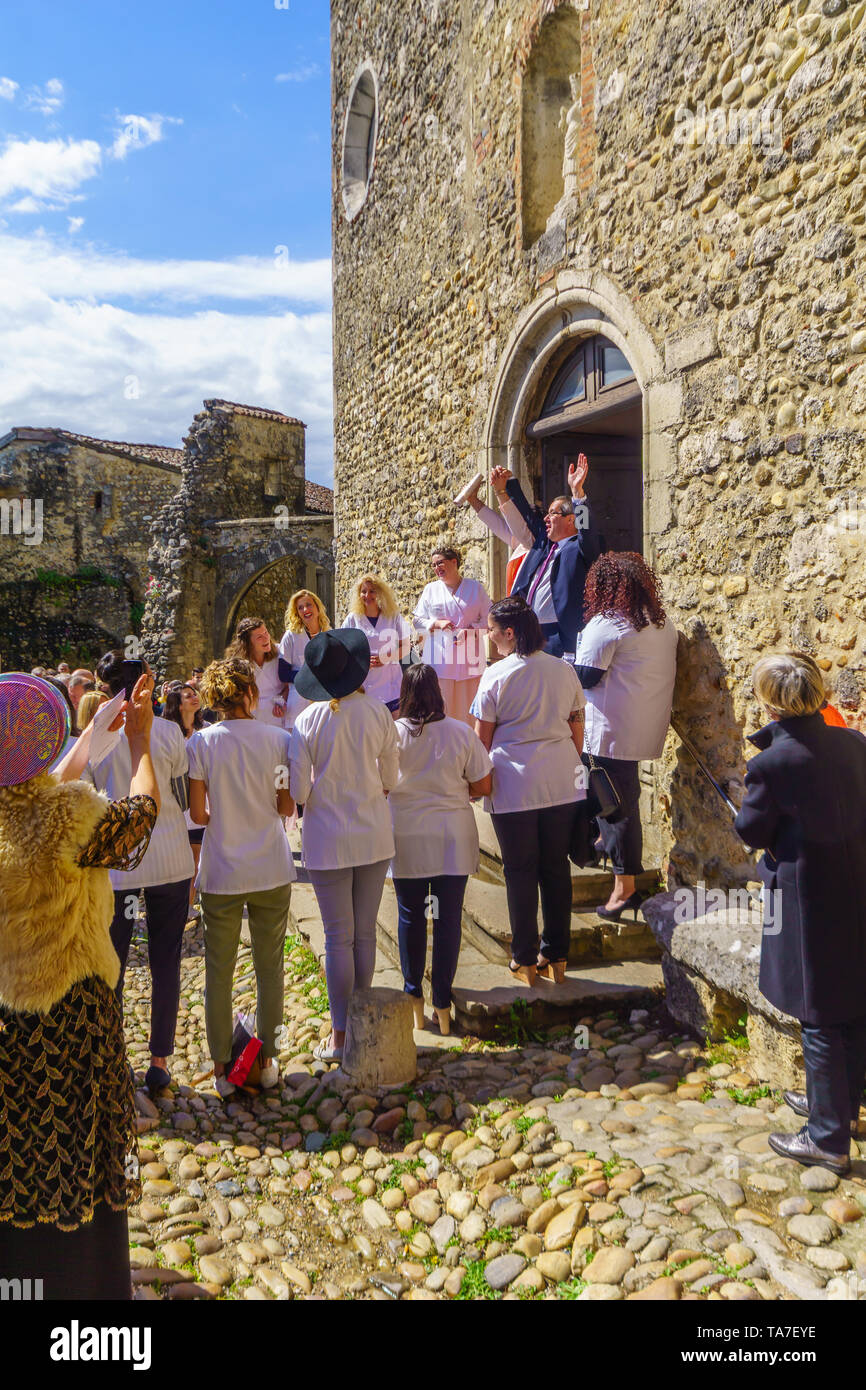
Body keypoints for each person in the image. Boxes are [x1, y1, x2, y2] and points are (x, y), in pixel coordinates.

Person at [0, 669, 158, 1299]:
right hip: (73, 1015)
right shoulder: (69, 815)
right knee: (79, 1142)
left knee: (16, 1149)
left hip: (7, 1016)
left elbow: (34, 792)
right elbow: (140, 817)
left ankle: (20, 1286)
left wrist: (91, 740)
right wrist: (141, 745)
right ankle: (88, 1288)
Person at [734, 651, 866, 1176]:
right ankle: (839, 1107)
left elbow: (752, 830)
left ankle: (827, 1138)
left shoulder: (771, 764)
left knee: (819, 1012)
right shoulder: (854, 743)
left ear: (771, 704)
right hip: (855, 889)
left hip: (807, 899)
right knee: (851, 1001)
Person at [87, 650, 194, 1096]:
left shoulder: (97, 737)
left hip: (120, 867)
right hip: (169, 859)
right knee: (165, 961)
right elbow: (181, 795)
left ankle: (113, 1056)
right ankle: (159, 1061)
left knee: (112, 963)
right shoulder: (169, 731)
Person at [187, 659, 295, 1098]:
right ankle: (266, 1063)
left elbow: (198, 814)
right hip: (270, 865)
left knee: (219, 972)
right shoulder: (280, 740)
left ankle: (220, 1069)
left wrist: (226, 813)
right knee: (270, 969)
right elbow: (286, 807)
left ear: (215, 698)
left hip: (222, 869)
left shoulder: (201, 743)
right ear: (251, 693)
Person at [290, 628, 398, 1061]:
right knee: (364, 933)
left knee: (338, 936)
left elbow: (298, 791)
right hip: (372, 830)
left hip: (326, 834)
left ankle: (339, 1036)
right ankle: (361, 1023)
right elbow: (391, 779)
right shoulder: (378, 713)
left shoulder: (307, 721)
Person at [472, 596, 586, 985]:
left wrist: (475, 782)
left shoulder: (496, 675)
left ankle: (523, 958)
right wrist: (570, 761)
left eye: (491, 630)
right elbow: (576, 725)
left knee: (520, 871)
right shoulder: (563, 669)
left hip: (514, 783)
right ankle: (557, 955)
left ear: (509, 633)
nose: (488, 636)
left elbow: (481, 739)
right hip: (561, 780)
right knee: (555, 868)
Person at [574, 552, 678, 919]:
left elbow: (585, 677)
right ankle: (603, 844)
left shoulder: (608, 623)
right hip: (642, 726)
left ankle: (624, 889)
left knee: (615, 808)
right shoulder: (661, 623)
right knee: (619, 800)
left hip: (608, 730)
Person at [391, 665, 492, 1033]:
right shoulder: (461, 732)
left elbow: (381, 784)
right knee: (448, 920)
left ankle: (413, 998)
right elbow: (484, 784)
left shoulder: (393, 735)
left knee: (411, 917)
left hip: (408, 835)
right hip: (452, 835)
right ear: (437, 692)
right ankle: (442, 1004)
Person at [503, 453, 604, 658]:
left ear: (571, 520)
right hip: (530, 632)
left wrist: (577, 494)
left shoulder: (580, 547)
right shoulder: (545, 544)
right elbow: (527, 515)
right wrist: (510, 483)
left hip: (559, 635)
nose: (546, 518)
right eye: (547, 513)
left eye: (553, 513)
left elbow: (586, 531)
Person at [413, 547, 491, 727]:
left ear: (454, 562)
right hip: (440, 659)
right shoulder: (431, 589)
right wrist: (436, 624)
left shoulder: (475, 588)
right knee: (441, 705)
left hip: (470, 657)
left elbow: (490, 619)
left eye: (440, 563)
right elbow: (417, 621)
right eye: (433, 565)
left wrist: (472, 630)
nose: (436, 568)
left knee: (468, 707)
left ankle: (469, 740)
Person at [163, 681, 207, 920]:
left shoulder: (206, 729)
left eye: (194, 694)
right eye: (188, 696)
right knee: (175, 862)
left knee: (195, 860)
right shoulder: (168, 733)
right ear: (178, 705)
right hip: (176, 807)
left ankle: (187, 908)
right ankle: (172, 907)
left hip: (199, 805)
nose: (194, 698)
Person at [342, 574, 412, 713]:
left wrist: (388, 657)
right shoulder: (352, 619)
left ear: (380, 593)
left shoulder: (393, 616)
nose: (367, 595)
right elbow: (343, 650)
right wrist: (361, 661)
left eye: (372, 591)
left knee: (393, 723)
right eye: (363, 591)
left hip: (391, 684)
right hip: (363, 684)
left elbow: (406, 647)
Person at [460, 467, 536, 594]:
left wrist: (501, 491)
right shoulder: (522, 545)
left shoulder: (534, 543)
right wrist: (473, 500)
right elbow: (498, 526)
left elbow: (517, 523)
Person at [279, 589, 332, 730]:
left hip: (324, 699)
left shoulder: (328, 634)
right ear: (297, 613)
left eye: (309, 605)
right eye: (300, 607)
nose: (305, 610)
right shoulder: (291, 636)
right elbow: (283, 673)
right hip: (298, 701)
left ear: (317, 607)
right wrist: (308, 676)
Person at [226, 616, 287, 728]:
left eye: (266, 632)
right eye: (259, 637)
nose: (266, 638)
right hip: (253, 720)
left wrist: (282, 701)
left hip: (280, 717)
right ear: (248, 643)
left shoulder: (281, 653)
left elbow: (289, 685)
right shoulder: (237, 665)